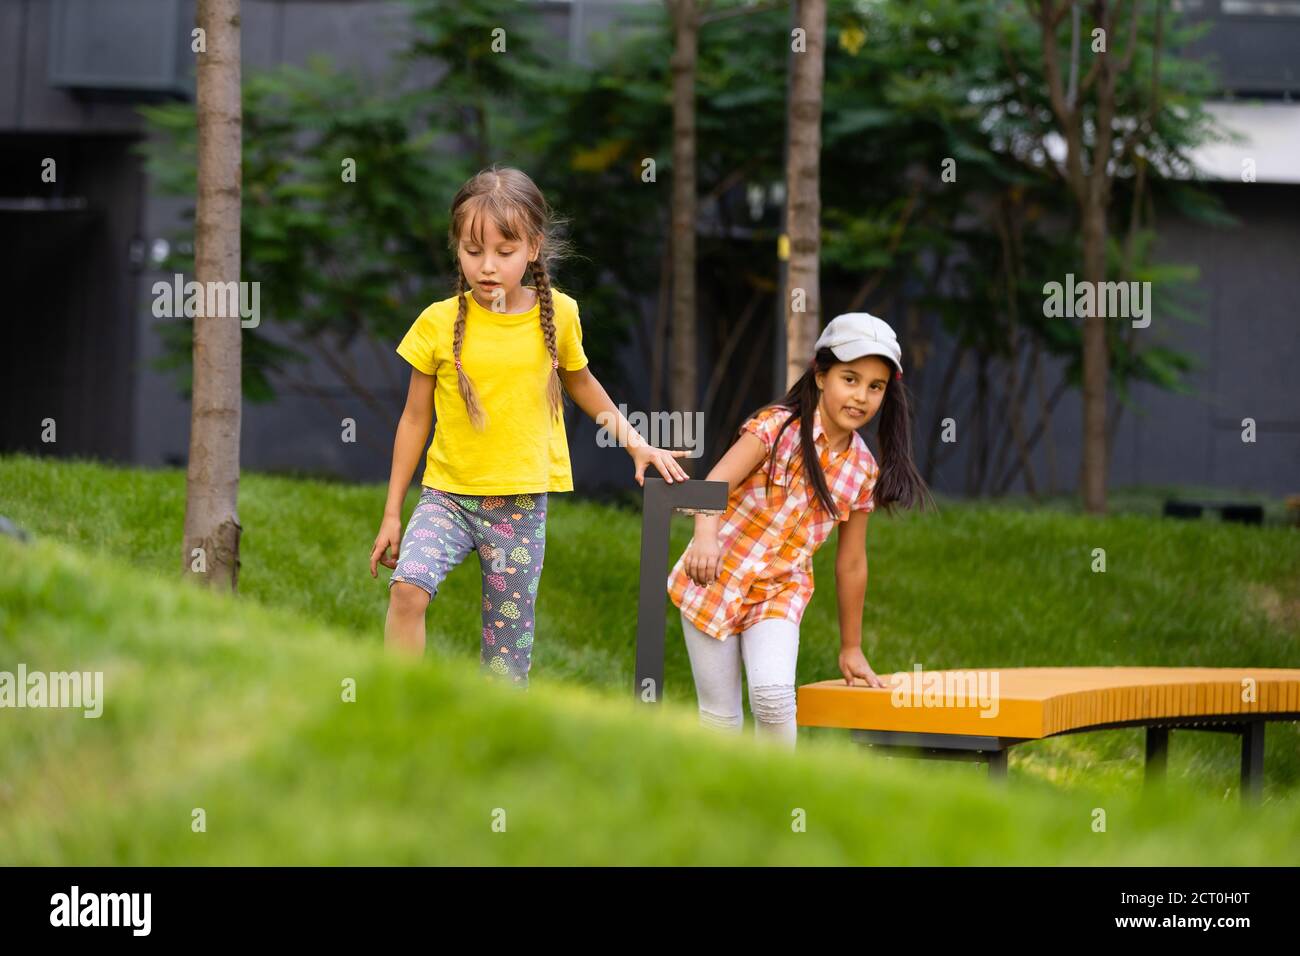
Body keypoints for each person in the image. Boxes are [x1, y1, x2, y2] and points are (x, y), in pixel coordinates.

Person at [370, 165, 689, 688]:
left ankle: (500, 746)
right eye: (474, 252)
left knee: (505, 660)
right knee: (407, 588)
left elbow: (582, 383)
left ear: (534, 247)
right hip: (447, 495)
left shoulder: (559, 314)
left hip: (519, 507)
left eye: (504, 251)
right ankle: (401, 709)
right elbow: (413, 418)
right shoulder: (436, 322)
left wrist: (636, 444)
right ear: (457, 250)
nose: (488, 267)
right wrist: (391, 513)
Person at [668, 312, 935, 747]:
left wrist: (851, 647)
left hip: (780, 592)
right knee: (720, 720)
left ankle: (777, 802)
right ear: (821, 375)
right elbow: (714, 486)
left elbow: (851, 563)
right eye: (850, 379)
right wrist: (704, 538)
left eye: (875, 386)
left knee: (773, 697)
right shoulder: (777, 428)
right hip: (715, 579)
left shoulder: (862, 469)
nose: (861, 397)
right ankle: (720, 805)